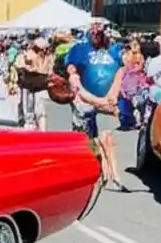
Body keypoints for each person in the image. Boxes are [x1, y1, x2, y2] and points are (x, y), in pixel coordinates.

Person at [66, 19, 125, 190]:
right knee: (89, 139)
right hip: (85, 100)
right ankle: (98, 170)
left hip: (108, 100)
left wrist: (113, 93)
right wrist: (74, 78)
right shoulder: (80, 49)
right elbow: (71, 68)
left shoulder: (114, 50)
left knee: (107, 137)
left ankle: (112, 174)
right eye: (94, 33)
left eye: (100, 33)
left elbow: (121, 70)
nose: (97, 36)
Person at [15, 36, 53, 131]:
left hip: (41, 84)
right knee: (29, 103)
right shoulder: (28, 55)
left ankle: (37, 121)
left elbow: (49, 70)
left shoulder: (48, 57)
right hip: (30, 83)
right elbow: (21, 66)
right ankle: (29, 122)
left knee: (38, 104)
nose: (45, 50)